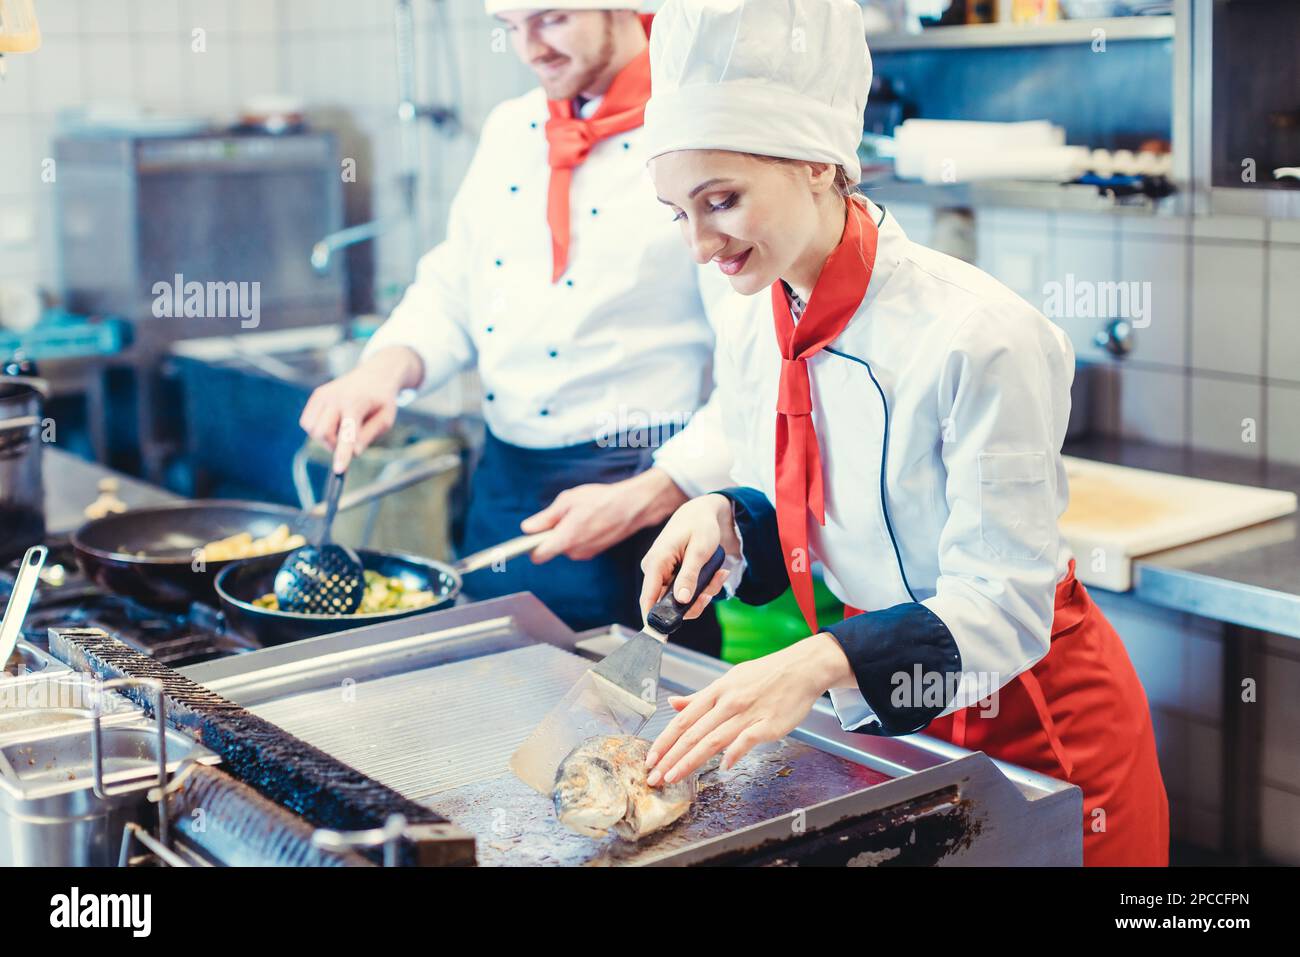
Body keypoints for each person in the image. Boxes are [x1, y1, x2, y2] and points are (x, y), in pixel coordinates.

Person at [634, 0, 1169, 865]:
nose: (700, 245)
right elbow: (829, 504)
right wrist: (729, 516)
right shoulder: (754, 313)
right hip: (888, 709)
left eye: (721, 200)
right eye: (677, 212)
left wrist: (815, 662)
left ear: (817, 163)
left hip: (1034, 719)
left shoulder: (978, 333)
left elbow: (1004, 601)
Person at [300, 3, 732, 652]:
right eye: (508, 27)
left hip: (641, 499)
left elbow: (763, 377)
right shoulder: (511, 128)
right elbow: (453, 287)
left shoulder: (701, 134)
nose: (530, 49)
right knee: (487, 704)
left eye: (550, 18)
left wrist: (654, 493)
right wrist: (381, 371)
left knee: (629, 737)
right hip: (504, 488)